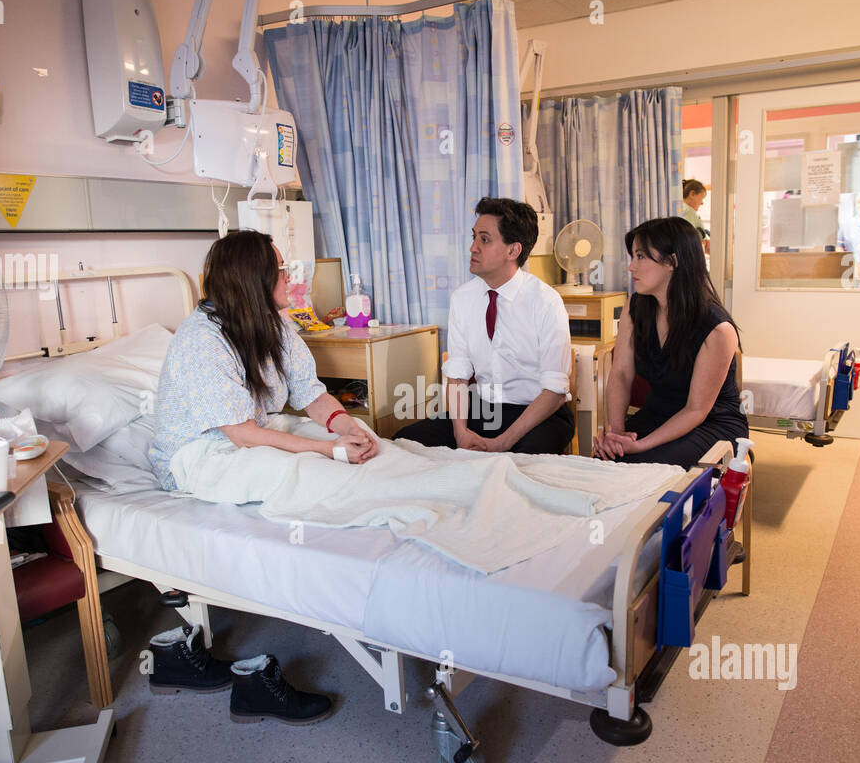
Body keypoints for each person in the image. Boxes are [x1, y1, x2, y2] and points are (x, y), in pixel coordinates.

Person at [145, 229, 378, 724]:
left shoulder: (273, 323)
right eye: (280, 269)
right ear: (255, 279)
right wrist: (327, 450)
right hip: (200, 453)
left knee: (369, 447)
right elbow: (242, 435)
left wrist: (348, 427)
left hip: (251, 430)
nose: (288, 277)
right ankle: (378, 512)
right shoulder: (200, 341)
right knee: (302, 468)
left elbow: (310, 393)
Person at [394, 197, 575, 454]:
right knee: (406, 441)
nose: (473, 248)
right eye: (474, 237)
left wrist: (502, 443)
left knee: (522, 462)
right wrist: (461, 434)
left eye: (485, 239)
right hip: (484, 409)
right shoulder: (462, 299)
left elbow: (555, 391)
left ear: (513, 251)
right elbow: (457, 375)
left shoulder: (545, 301)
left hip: (537, 414)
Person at [593, 217, 748, 468]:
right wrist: (617, 433)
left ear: (673, 261)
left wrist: (640, 444)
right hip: (657, 416)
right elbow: (621, 373)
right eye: (633, 256)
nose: (631, 267)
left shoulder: (717, 328)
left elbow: (696, 410)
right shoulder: (636, 307)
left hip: (710, 424)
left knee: (643, 466)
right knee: (602, 460)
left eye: (641, 257)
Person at [680, 178, 710, 253]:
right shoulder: (688, 211)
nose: (702, 203)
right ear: (692, 194)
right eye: (702, 198)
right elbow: (688, 238)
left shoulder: (682, 209)